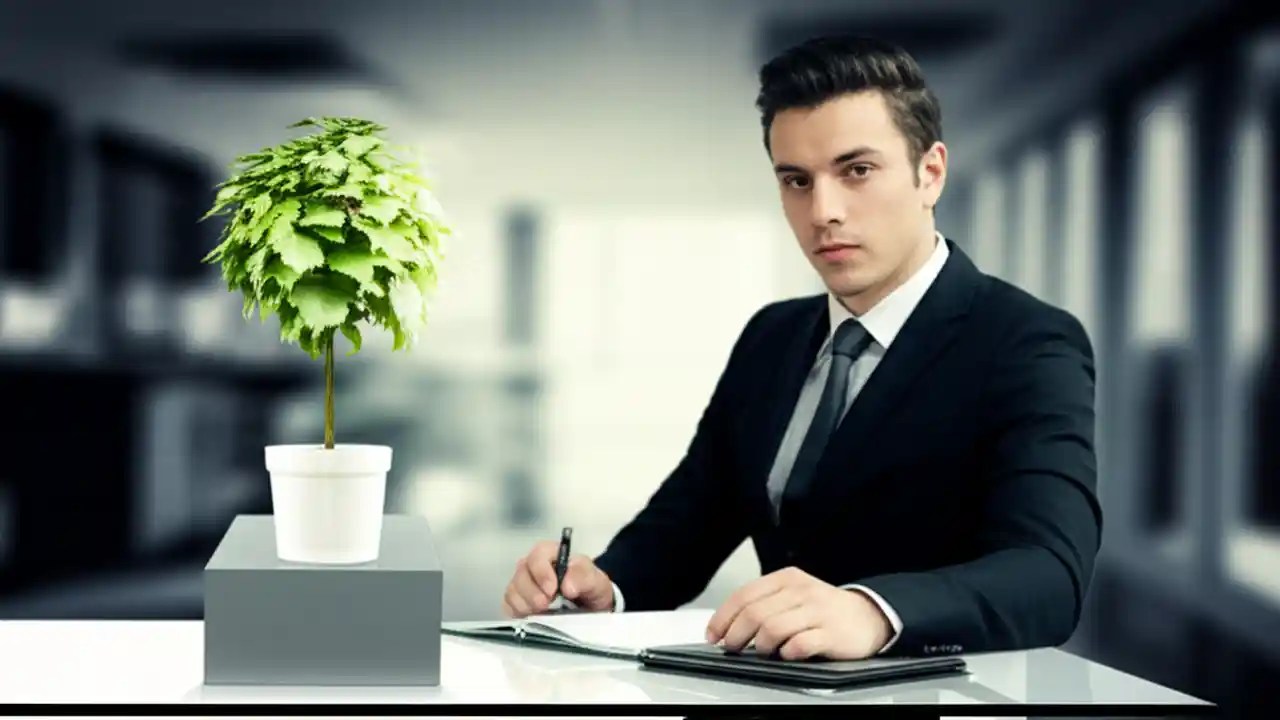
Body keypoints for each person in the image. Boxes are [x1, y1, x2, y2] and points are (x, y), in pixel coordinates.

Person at [500, 34, 1102, 661]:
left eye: (857, 171)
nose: (824, 211)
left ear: (931, 174)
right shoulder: (772, 337)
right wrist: (607, 587)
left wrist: (873, 611)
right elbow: (687, 523)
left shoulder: (1025, 341)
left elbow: (1048, 576)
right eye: (796, 180)